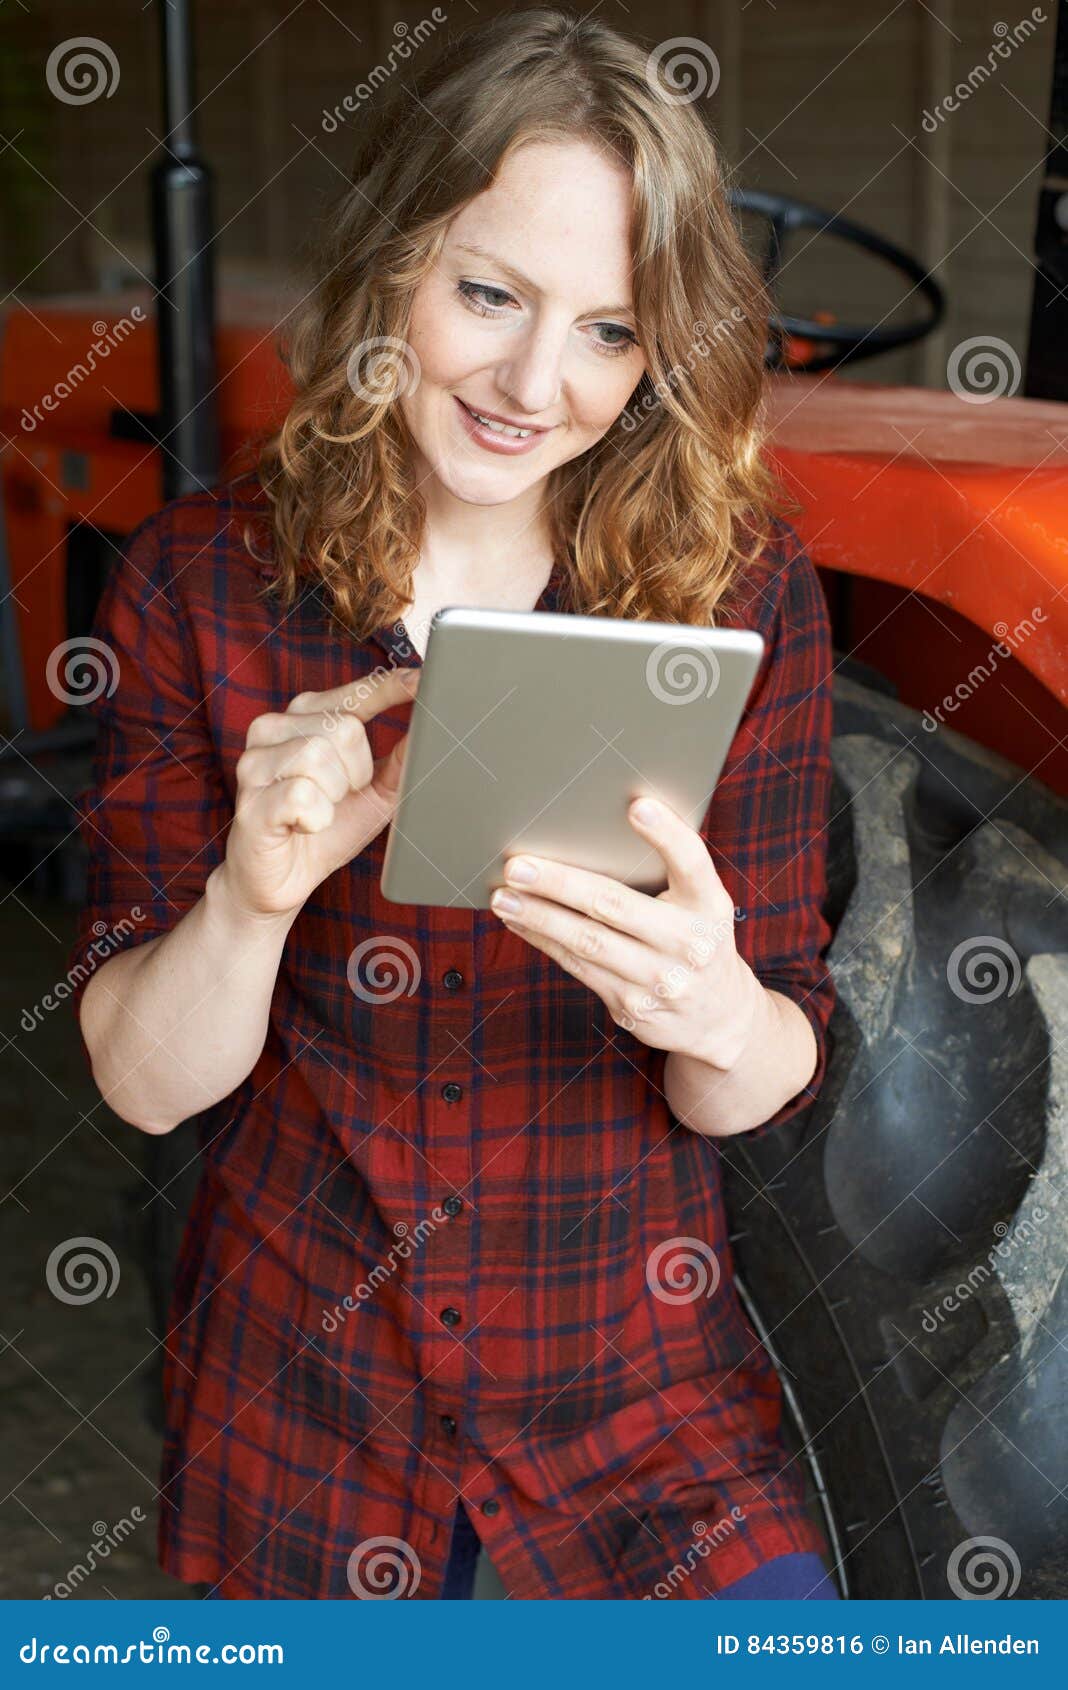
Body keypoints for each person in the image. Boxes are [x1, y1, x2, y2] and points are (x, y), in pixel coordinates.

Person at [69, 6, 840, 1600]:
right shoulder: (207, 581)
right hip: (304, 1417)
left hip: (636, 1417)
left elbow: (759, 1075)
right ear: (389, 264)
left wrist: (714, 1006)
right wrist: (252, 899)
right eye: (488, 294)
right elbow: (146, 1086)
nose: (534, 382)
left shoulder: (741, 591)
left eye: (613, 332)